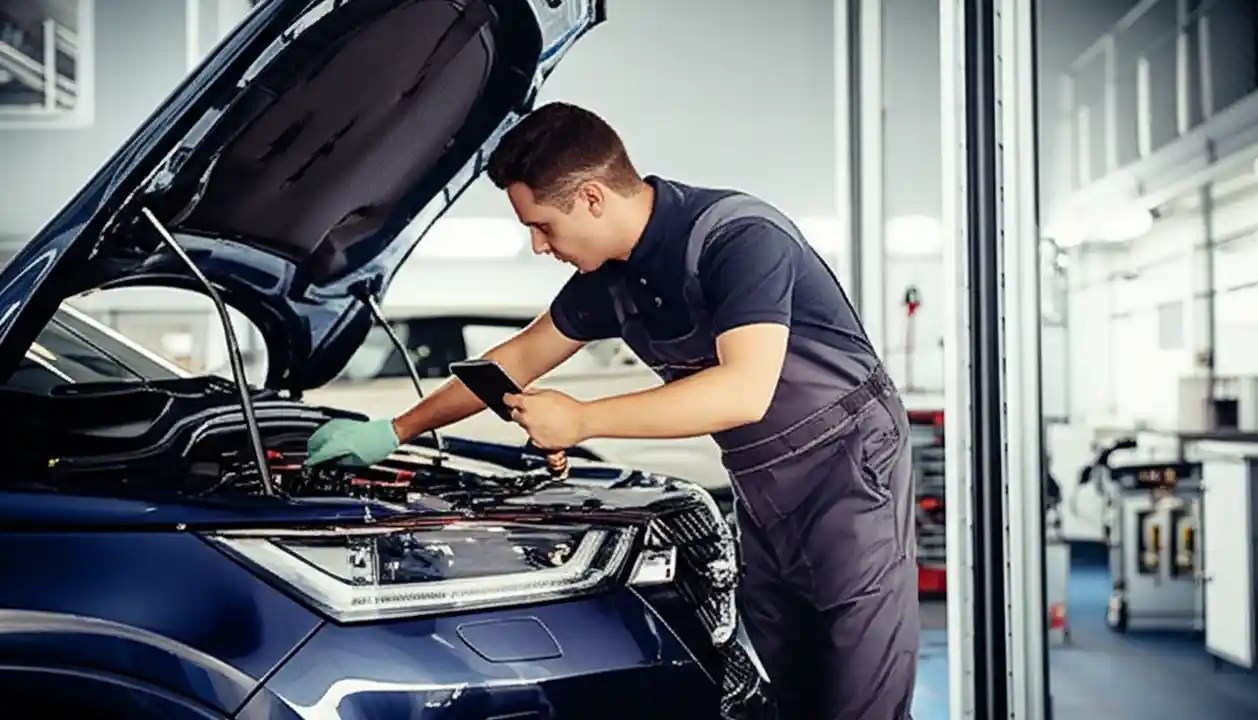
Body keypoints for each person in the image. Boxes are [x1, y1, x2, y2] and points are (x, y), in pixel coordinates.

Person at [304, 102, 919, 719]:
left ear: (592, 198)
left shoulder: (738, 238)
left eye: (543, 226)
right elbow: (517, 356)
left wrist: (582, 419)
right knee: (792, 681)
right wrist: (396, 429)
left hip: (847, 465)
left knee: (859, 679)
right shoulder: (611, 278)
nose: (539, 247)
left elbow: (742, 392)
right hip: (762, 479)